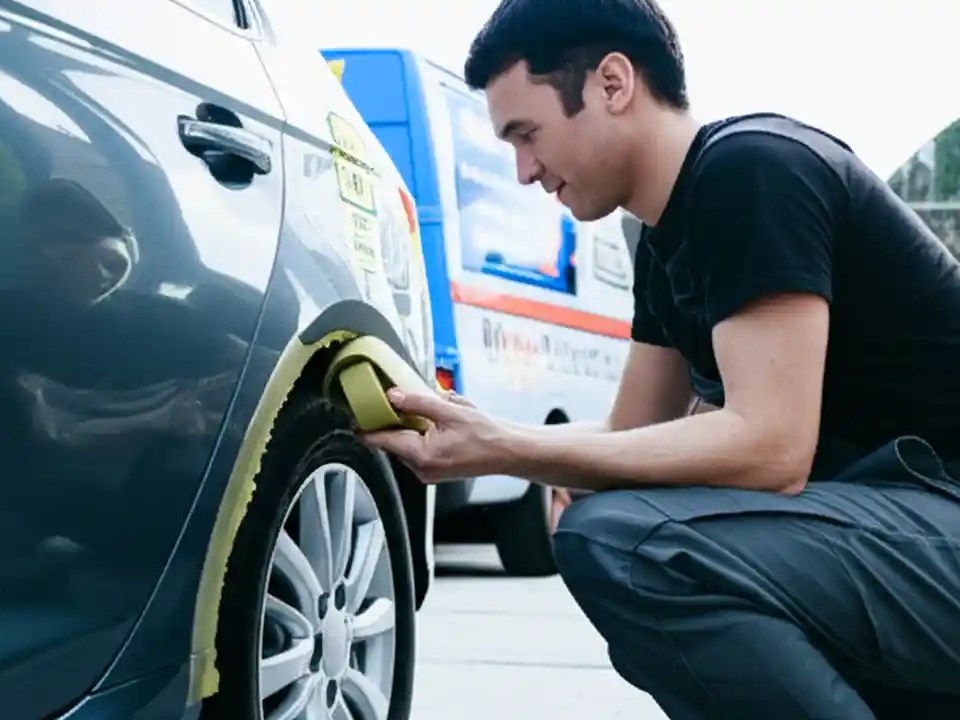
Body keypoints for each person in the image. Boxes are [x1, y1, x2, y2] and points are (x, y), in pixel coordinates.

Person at [359, 0, 960, 717]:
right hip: (902, 535)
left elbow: (771, 447)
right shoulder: (662, 235)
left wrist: (508, 450)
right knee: (619, 519)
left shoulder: (754, 170)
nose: (523, 171)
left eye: (528, 134)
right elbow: (630, 431)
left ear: (613, 83)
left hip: (936, 524)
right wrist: (474, 429)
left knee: (631, 545)